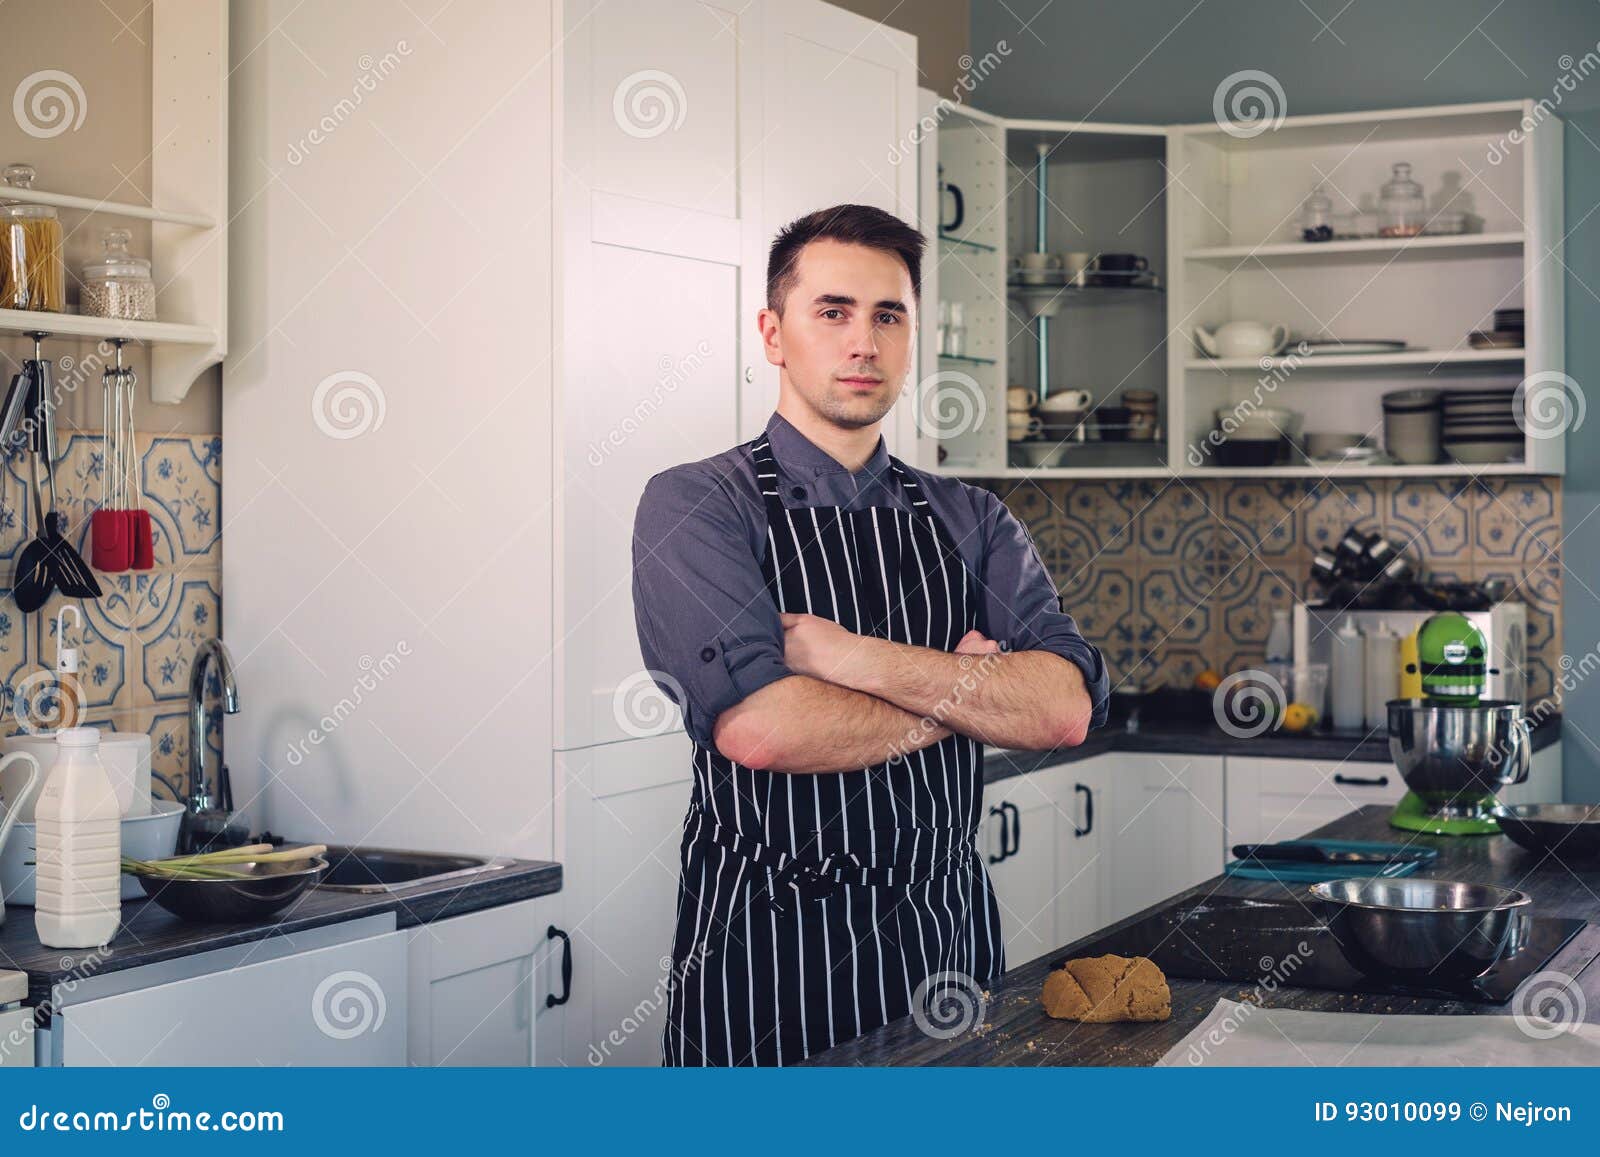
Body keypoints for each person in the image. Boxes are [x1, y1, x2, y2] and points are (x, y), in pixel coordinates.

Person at [632, 203, 1108, 1066]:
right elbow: (764, 730)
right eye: (834, 312)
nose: (864, 343)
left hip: (947, 946)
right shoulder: (699, 504)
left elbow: (1063, 710)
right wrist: (968, 698)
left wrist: (848, 659)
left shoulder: (974, 519)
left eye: (889, 316)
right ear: (774, 334)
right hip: (766, 965)